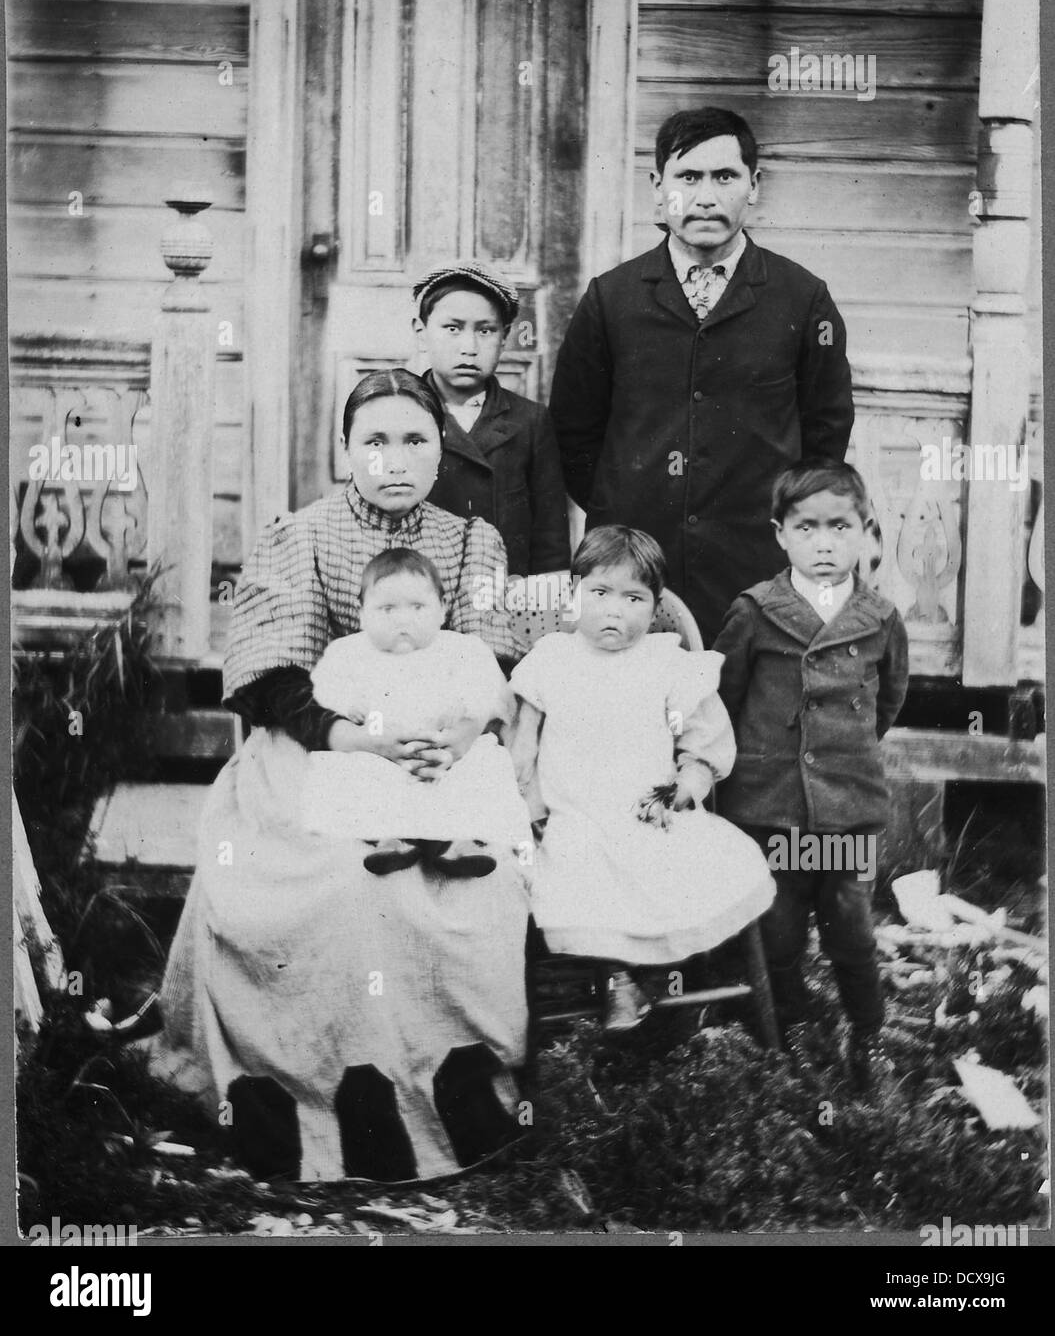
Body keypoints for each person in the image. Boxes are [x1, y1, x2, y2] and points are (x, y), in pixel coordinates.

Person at [154, 370, 532, 1185]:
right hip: (320, 744)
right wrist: (358, 739)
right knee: (339, 878)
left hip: (445, 744)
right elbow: (274, 675)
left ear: (440, 452)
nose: (394, 461)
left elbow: (490, 660)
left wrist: (459, 736)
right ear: (345, 451)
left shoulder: (472, 541)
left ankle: (453, 1084)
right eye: (374, 442)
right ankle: (318, 1092)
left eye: (415, 442)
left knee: (479, 877)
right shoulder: (301, 535)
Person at [547, 107, 855, 644]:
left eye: (725, 177)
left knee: (746, 714)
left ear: (754, 186)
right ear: (657, 187)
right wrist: (632, 503)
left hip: (753, 563)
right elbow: (574, 434)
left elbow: (826, 432)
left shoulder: (802, 299)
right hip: (637, 567)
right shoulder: (611, 298)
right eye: (688, 177)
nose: (706, 196)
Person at [508, 525, 775, 1033]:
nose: (614, 610)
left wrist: (684, 789)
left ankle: (663, 985)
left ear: (654, 611)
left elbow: (703, 744)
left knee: (676, 865)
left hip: (646, 812)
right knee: (581, 866)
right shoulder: (551, 660)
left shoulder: (666, 662)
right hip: (571, 818)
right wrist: (532, 810)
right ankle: (620, 982)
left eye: (634, 598)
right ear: (573, 598)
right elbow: (523, 748)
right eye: (600, 593)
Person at [712, 460, 910, 1089]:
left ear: (866, 531)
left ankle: (867, 1033)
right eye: (807, 528)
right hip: (772, 806)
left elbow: (887, 703)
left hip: (846, 807)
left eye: (839, 526)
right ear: (781, 535)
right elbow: (729, 697)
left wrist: (839, 757)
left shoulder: (880, 618)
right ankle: (788, 1031)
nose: (824, 542)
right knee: (780, 928)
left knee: (851, 925)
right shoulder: (757, 612)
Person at [303, 546, 532, 876]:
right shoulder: (349, 653)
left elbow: (486, 696)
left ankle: (464, 842)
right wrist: (354, 718)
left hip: (445, 750)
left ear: (441, 610)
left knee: (487, 760)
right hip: (380, 752)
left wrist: (460, 732)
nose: (403, 619)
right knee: (343, 767)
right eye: (387, 608)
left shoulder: (461, 649)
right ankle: (387, 839)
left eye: (417, 607)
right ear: (362, 613)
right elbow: (326, 695)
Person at [415, 259, 571, 577]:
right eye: (452, 329)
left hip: (505, 597)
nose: (469, 347)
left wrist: (548, 609)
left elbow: (551, 538)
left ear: (505, 337)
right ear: (421, 332)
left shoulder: (530, 421)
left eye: (485, 331)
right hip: (420, 596)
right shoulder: (400, 414)